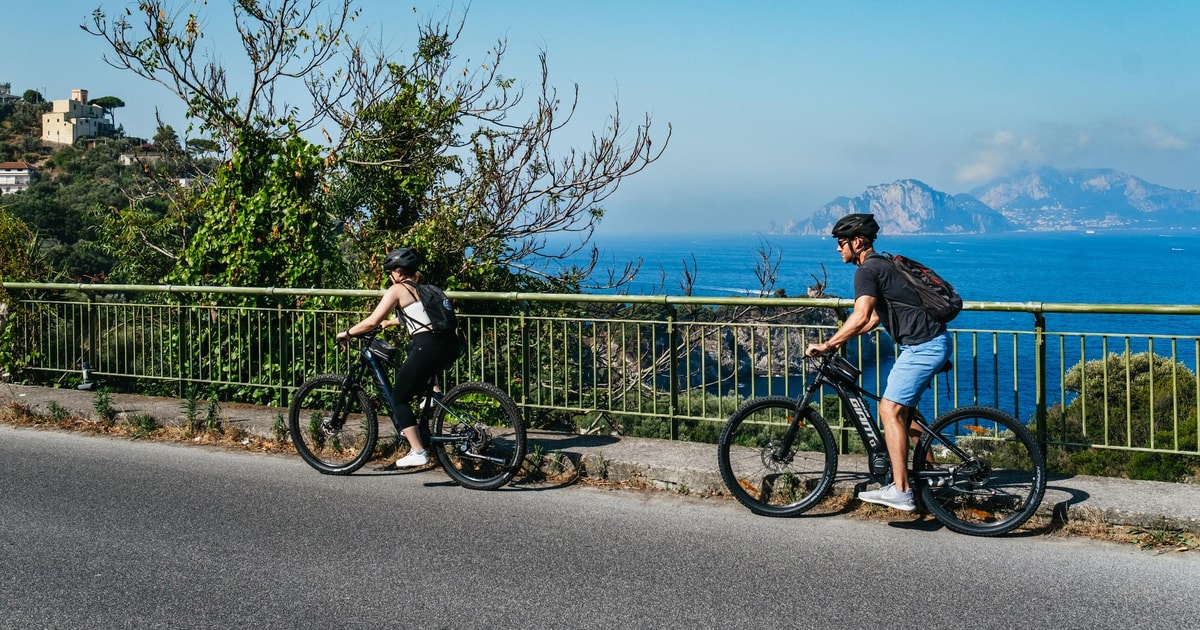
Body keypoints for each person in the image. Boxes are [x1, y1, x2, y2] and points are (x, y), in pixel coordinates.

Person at [804, 214, 953, 511]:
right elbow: (873, 319)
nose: (837, 249)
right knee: (905, 414)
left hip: (922, 347)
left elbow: (860, 315)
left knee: (888, 409)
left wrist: (828, 344)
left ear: (857, 242)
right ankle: (932, 475)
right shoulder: (882, 264)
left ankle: (901, 490)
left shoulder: (867, 271)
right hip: (931, 342)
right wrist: (842, 340)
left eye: (841, 243)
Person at [336, 247, 461, 468]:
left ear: (397, 271)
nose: (389, 277)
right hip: (449, 344)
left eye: (390, 272)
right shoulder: (425, 289)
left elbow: (371, 322)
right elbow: (421, 317)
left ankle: (418, 451)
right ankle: (434, 394)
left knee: (399, 398)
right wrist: (391, 322)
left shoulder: (397, 290)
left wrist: (347, 333)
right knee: (415, 356)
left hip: (428, 346)